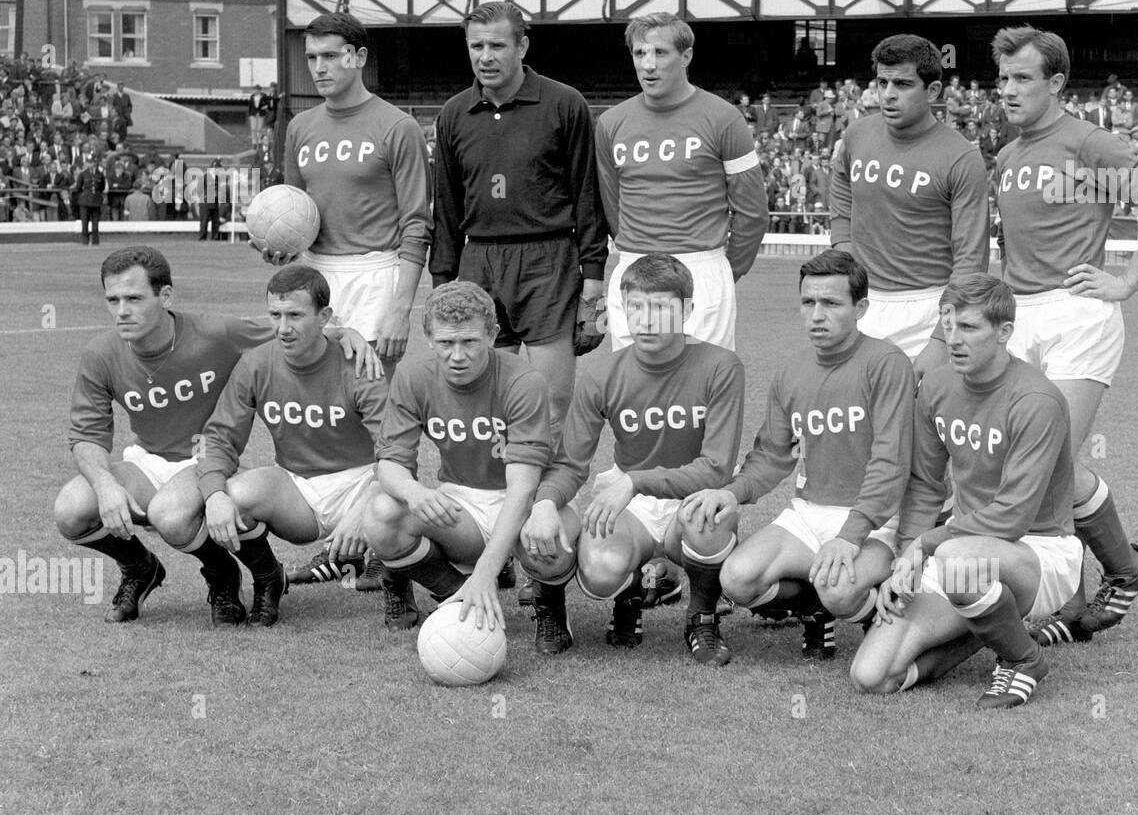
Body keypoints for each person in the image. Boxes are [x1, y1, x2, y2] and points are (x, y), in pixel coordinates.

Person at [990, 25, 1138, 644]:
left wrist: (1126, 281)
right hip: (1020, 319)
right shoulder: (1007, 155)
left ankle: (1095, 586)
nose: (1008, 90)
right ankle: (1110, 575)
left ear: (1055, 83)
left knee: (1049, 461)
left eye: (1022, 78)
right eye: (1002, 78)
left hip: (1078, 316)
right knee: (1017, 460)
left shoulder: (1088, 143)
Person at [55, 248, 377, 627]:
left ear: (166, 297)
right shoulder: (100, 354)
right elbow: (86, 435)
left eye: (134, 298)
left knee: (170, 516)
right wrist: (105, 484)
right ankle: (139, 568)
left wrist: (346, 333)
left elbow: (289, 331)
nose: (122, 311)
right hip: (146, 461)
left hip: (204, 458)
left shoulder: (215, 334)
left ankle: (228, 576)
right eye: (114, 300)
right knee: (70, 509)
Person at [851, 274, 1081, 710]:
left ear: (1004, 333)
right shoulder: (936, 387)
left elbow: (1013, 516)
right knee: (872, 676)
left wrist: (927, 544)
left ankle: (1023, 659)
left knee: (959, 561)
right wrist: (905, 559)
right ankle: (989, 627)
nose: (953, 339)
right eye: (947, 324)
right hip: (960, 546)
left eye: (970, 328)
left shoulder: (1037, 400)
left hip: (1039, 550)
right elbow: (923, 483)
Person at [680, 250, 913, 663]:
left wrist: (850, 535)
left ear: (860, 308)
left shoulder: (886, 363)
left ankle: (864, 608)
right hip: (809, 513)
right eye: (809, 302)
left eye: (831, 303)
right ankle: (813, 609)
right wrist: (733, 494)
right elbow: (772, 454)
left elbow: (890, 463)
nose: (817, 315)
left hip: (874, 520)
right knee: (737, 579)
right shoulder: (791, 372)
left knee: (840, 590)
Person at [518, 254, 746, 664]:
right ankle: (629, 598)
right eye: (636, 307)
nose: (646, 320)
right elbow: (570, 463)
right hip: (632, 503)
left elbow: (716, 468)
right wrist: (545, 503)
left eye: (660, 308)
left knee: (709, 518)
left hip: (691, 497)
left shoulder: (720, 366)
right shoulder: (604, 373)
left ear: (688, 310)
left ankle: (703, 619)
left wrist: (634, 481)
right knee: (601, 573)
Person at [429, 0, 608, 446]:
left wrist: (593, 279)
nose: (485, 57)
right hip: (478, 261)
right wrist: (442, 282)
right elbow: (446, 207)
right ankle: (492, 505)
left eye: (497, 45)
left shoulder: (565, 104)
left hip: (547, 260)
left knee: (548, 404)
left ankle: (543, 507)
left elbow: (588, 195)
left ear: (522, 45)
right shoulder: (453, 113)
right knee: (485, 403)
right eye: (476, 46)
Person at [192, 265, 390, 629]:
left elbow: (394, 450)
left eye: (296, 315)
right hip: (298, 489)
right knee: (233, 495)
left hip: (362, 482)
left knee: (396, 501)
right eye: (275, 315)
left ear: (325, 317)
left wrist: (368, 502)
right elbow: (218, 437)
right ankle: (268, 579)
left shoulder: (358, 364)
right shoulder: (256, 363)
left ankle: (400, 591)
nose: (283, 328)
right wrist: (213, 494)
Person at [364, 281, 551, 639]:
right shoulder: (414, 376)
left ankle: (550, 607)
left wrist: (486, 570)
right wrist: (412, 492)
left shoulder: (524, 382)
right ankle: (453, 593)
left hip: (518, 504)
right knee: (381, 512)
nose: (458, 355)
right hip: (460, 503)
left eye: (470, 342)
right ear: (429, 338)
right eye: (446, 343)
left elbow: (524, 488)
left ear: (493, 335)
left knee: (556, 540)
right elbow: (389, 462)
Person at [596, 13, 767, 353]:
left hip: (702, 268)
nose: (648, 65)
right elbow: (611, 204)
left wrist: (722, 273)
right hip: (634, 267)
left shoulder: (723, 118)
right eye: (640, 53)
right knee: (632, 394)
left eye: (660, 53)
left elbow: (752, 213)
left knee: (701, 394)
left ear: (686, 56)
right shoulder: (610, 123)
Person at [829, 34, 989, 377]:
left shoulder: (961, 158)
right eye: (882, 82)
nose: (888, 93)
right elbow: (840, 175)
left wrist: (941, 339)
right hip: (863, 302)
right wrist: (842, 244)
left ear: (932, 92)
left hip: (928, 310)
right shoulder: (858, 134)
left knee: (921, 427)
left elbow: (971, 260)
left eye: (902, 84)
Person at [281, 13, 432, 363]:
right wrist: (281, 247)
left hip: (375, 278)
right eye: (312, 57)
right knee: (315, 403)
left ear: (359, 57)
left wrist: (400, 310)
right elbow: (295, 214)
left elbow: (416, 224)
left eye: (331, 56)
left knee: (370, 402)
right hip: (315, 275)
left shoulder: (398, 126)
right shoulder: (299, 127)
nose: (319, 67)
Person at [71, 153, 106, 247]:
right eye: (89, 162)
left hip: (96, 201)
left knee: (95, 225)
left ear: (95, 163)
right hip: (85, 201)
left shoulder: (100, 174)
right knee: (85, 223)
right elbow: (78, 187)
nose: (90, 164)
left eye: (92, 162)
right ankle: (85, 242)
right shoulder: (83, 174)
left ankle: (95, 242)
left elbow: (101, 187)